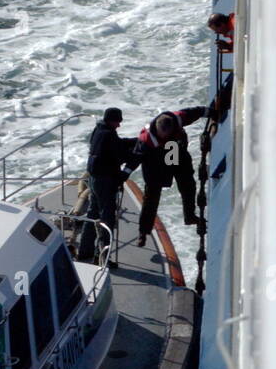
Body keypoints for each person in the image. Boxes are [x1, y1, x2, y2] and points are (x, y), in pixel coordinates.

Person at [122, 106, 207, 246]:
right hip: (154, 160)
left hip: (172, 150)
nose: (164, 136)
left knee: (187, 184)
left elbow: (195, 112)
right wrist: (124, 174)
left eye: (167, 134)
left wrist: (210, 111)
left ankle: (190, 216)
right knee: (151, 198)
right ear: (157, 129)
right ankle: (143, 232)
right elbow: (135, 159)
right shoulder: (145, 139)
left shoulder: (176, 119)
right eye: (163, 134)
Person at [80, 107, 135, 261]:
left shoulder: (99, 130)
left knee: (92, 215)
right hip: (105, 181)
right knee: (107, 219)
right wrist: (136, 154)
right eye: (118, 122)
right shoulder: (108, 135)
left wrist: (134, 140)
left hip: (94, 179)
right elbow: (120, 154)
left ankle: (85, 252)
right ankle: (102, 257)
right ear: (112, 121)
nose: (119, 125)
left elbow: (116, 145)